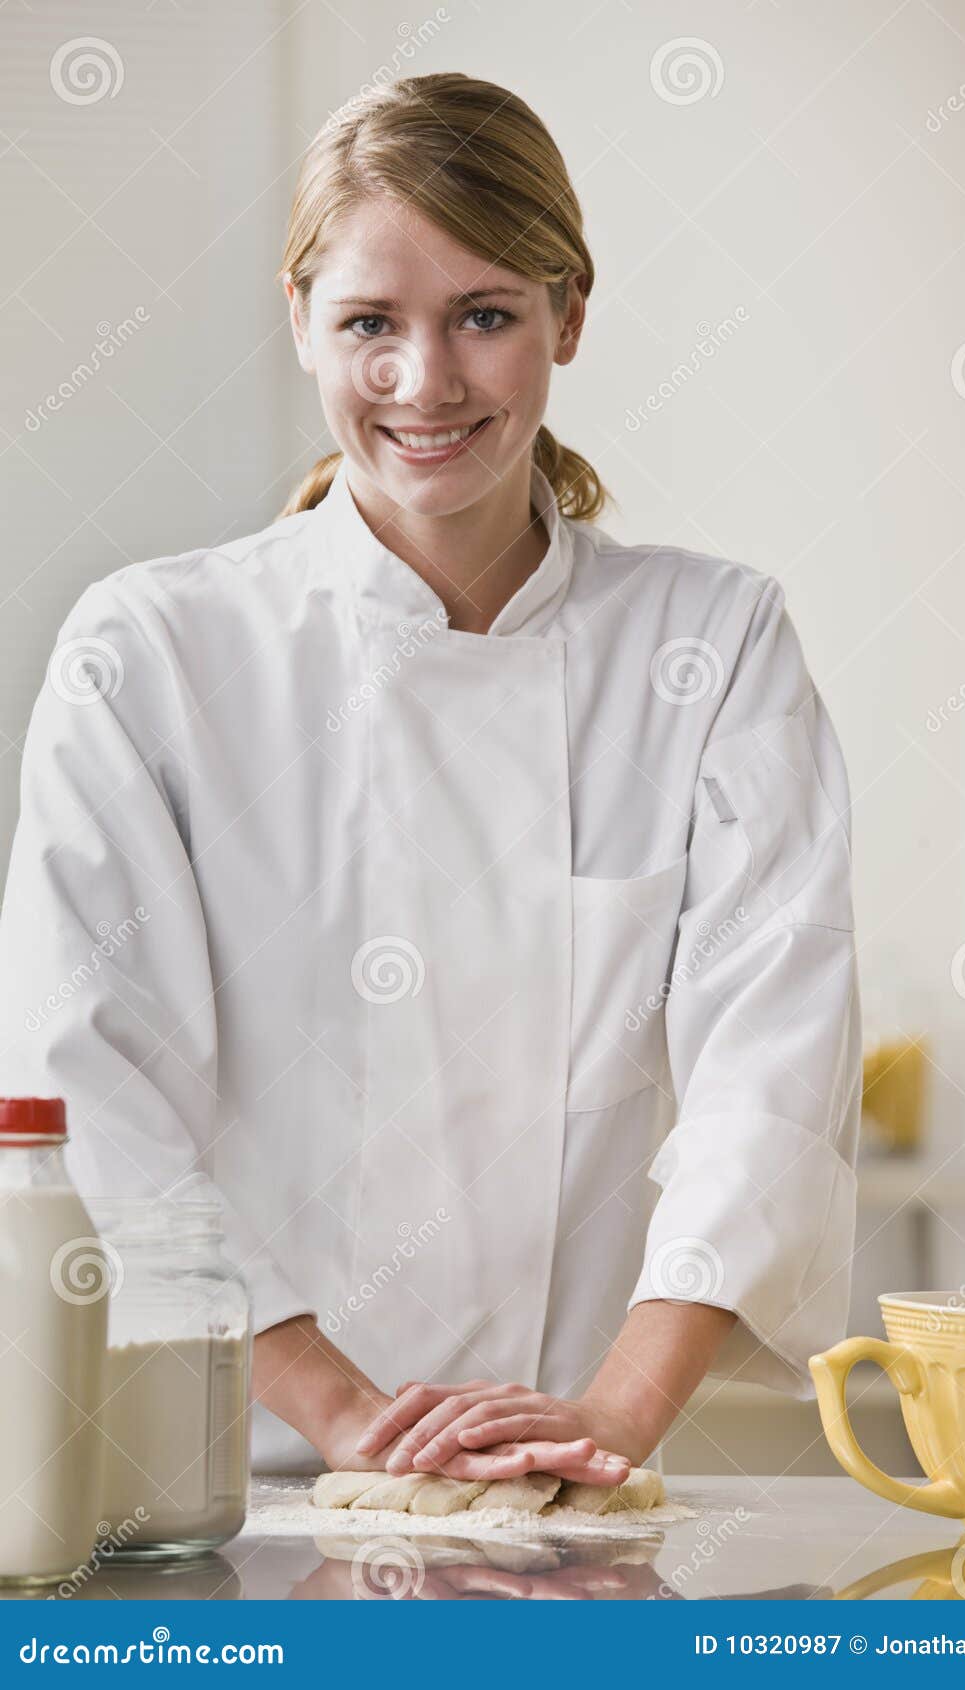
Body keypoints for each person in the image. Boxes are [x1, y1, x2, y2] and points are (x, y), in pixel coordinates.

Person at [0, 73, 861, 1483]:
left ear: (568, 313)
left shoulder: (713, 644)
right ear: (299, 320)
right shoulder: (150, 651)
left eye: (484, 316)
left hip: (566, 1485)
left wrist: (614, 1414)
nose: (426, 382)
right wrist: (344, 1412)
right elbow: (86, 1078)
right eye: (369, 324)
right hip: (219, 1485)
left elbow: (772, 1068)